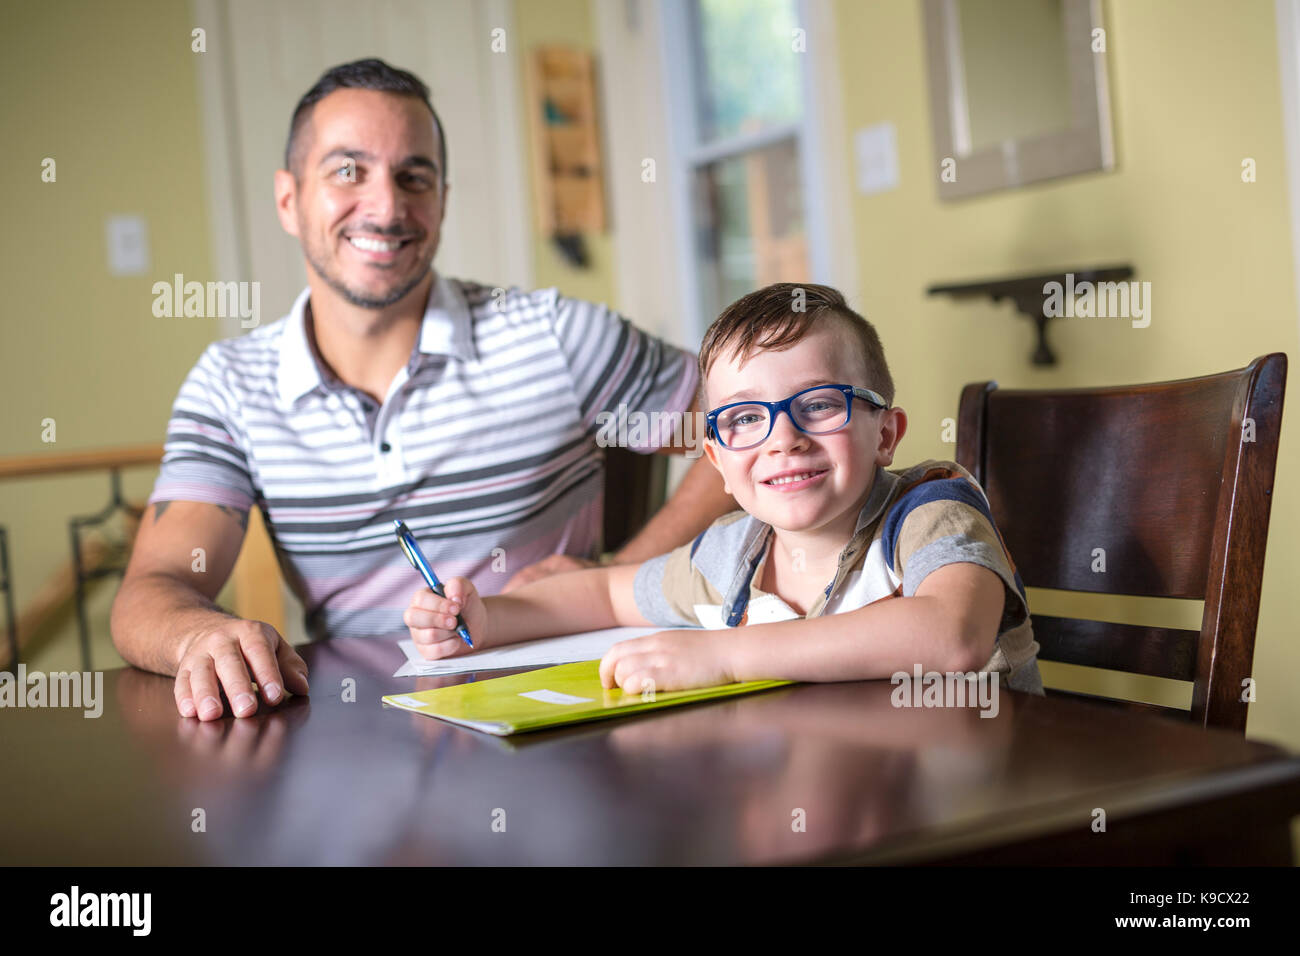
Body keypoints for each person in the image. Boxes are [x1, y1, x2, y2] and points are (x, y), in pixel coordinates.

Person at [111, 59, 735, 721]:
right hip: (359, 731)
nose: (386, 206)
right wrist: (198, 634)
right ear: (289, 200)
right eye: (348, 170)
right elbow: (155, 587)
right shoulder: (230, 384)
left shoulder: (554, 333)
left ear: (441, 199)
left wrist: (619, 578)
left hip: (574, 712)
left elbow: (742, 426)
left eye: (414, 176)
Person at [404, 283, 1044, 695]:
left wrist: (724, 654)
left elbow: (951, 635)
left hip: (993, 811)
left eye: (819, 404)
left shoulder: (931, 513)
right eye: (744, 418)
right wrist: (489, 619)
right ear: (716, 460)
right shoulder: (733, 554)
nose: (782, 438)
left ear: (886, 434)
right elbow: (602, 589)